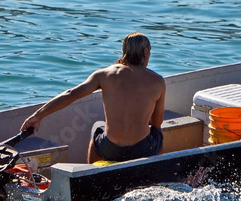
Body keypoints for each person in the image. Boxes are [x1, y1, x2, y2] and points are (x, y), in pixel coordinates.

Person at [20, 32, 166, 163]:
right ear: (145, 53)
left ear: (124, 51)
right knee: (157, 133)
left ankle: (92, 174)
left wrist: (38, 115)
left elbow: (70, 94)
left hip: (111, 149)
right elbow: (157, 122)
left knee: (97, 129)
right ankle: (153, 169)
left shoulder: (103, 75)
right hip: (141, 149)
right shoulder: (157, 81)